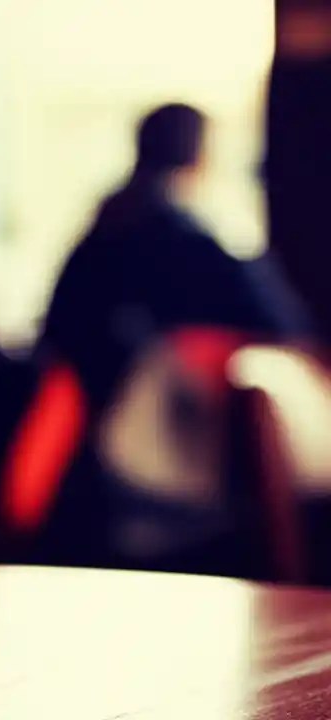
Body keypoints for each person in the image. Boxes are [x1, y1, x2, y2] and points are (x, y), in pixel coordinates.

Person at [34, 103, 305, 570]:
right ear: (200, 156)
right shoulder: (183, 232)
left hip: (79, 479)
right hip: (163, 479)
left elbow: (51, 329)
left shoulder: (106, 223)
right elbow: (285, 324)